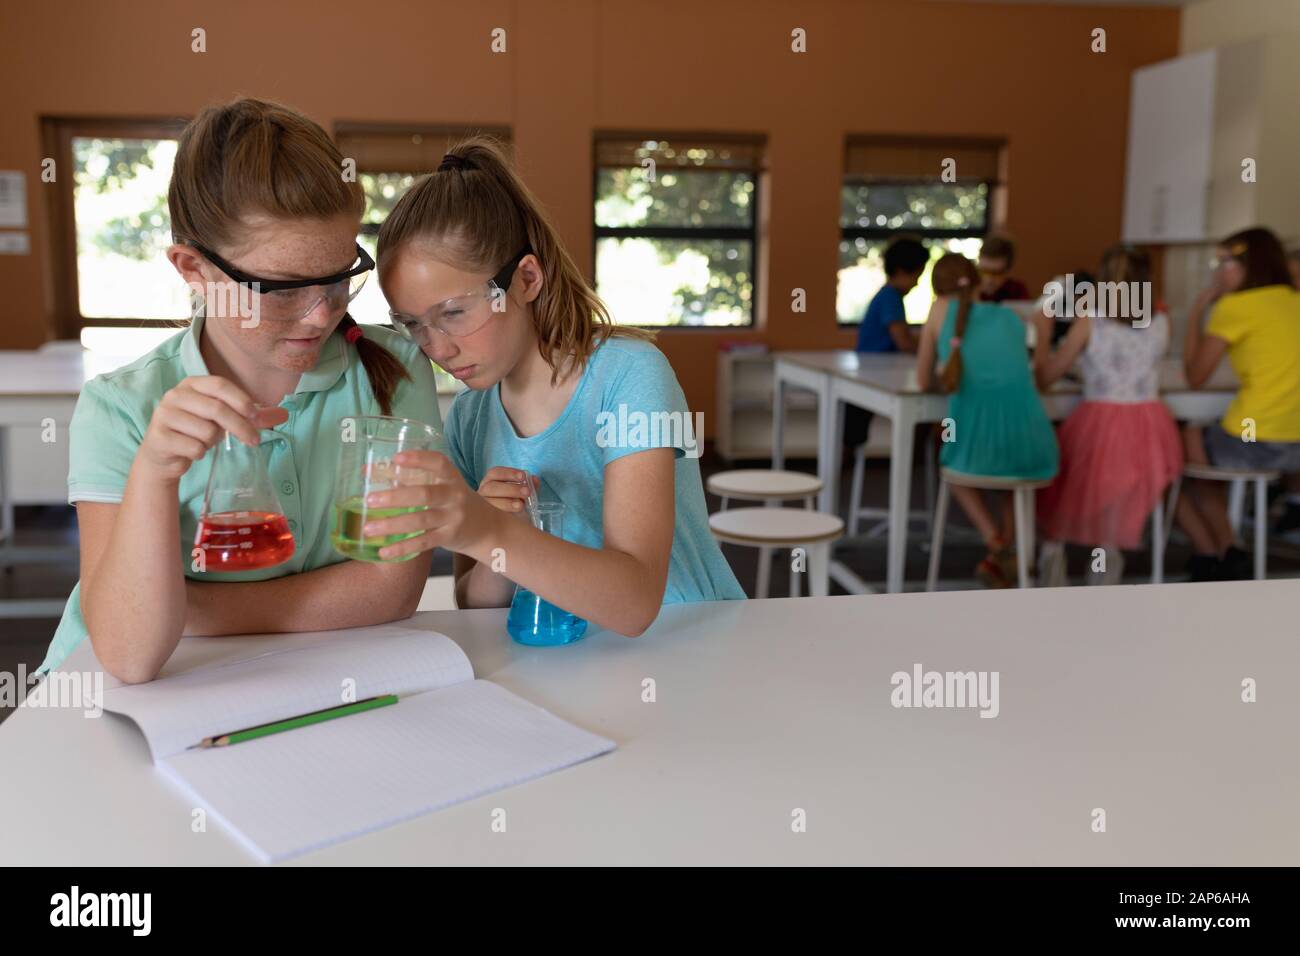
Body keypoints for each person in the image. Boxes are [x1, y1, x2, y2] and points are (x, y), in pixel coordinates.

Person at [39, 98, 440, 683]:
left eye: (338, 276)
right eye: (280, 290)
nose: (318, 315)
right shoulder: (121, 410)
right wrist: (154, 470)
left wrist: (187, 609)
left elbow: (392, 589)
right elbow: (129, 652)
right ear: (192, 269)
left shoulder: (393, 370)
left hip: (303, 679)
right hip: (107, 700)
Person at [365, 137, 745, 635]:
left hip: (692, 646)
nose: (435, 348)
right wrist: (497, 544)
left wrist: (489, 529)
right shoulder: (469, 415)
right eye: (412, 323)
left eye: (454, 312)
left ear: (525, 279)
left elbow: (635, 604)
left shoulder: (632, 377)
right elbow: (475, 605)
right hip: (566, 656)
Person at [1034, 245, 1182, 583]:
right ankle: (1106, 565)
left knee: (1066, 489)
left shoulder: (1092, 319)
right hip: (1148, 423)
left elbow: (1045, 378)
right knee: (1117, 498)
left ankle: (1052, 562)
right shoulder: (1162, 319)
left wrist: (1043, 334)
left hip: (1100, 421)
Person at [916, 253, 1058, 587]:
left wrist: (946, 373)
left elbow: (923, 382)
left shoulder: (938, 312)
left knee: (952, 467)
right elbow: (1032, 373)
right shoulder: (1010, 317)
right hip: (1034, 444)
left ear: (937, 291)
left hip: (972, 447)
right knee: (1011, 481)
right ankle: (1010, 559)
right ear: (979, 283)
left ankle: (997, 543)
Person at [1179, 227, 1300, 580]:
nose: (1217, 270)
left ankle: (1225, 545)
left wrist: (1196, 312)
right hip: (1295, 449)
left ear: (1251, 264)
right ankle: (1232, 544)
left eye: (1225, 262)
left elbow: (1195, 376)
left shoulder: (1235, 307)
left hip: (1259, 443)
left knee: (1185, 440)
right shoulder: (1293, 298)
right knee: (1213, 432)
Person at [844, 236, 928, 447]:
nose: (918, 283)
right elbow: (904, 343)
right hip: (874, 376)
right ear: (901, 271)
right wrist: (932, 346)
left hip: (872, 374)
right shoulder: (891, 298)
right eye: (917, 275)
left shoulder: (887, 296)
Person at [977, 234, 1030, 303]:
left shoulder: (1017, 291)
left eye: (996, 273)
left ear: (1008, 271)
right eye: (983, 271)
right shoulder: (969, 289)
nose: (989, 279)